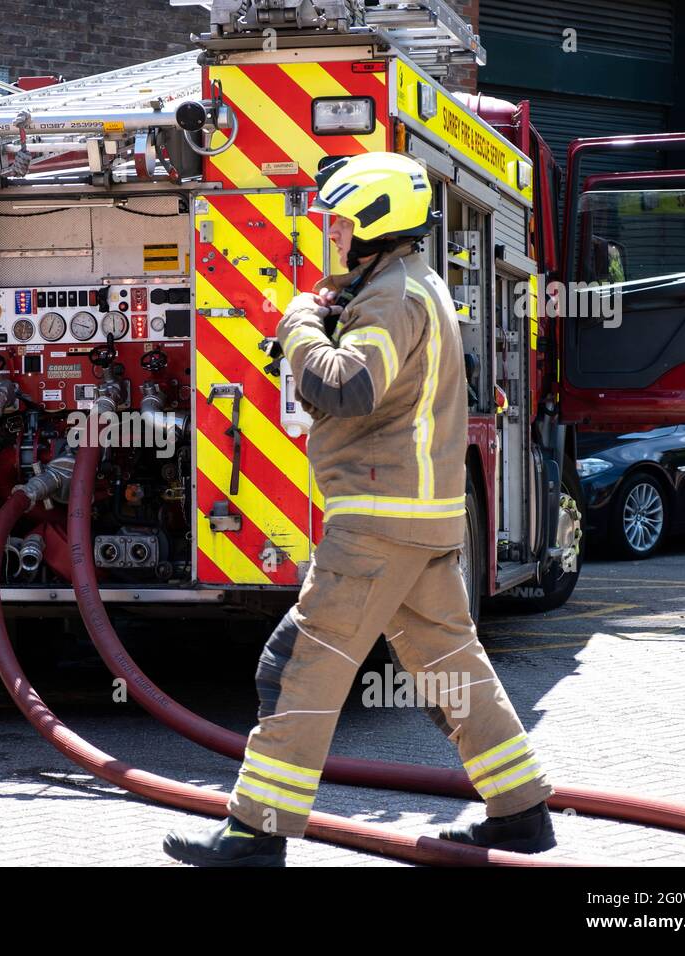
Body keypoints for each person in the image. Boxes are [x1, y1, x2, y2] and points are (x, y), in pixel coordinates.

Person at [162, 153, 555, 867]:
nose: (333, 236)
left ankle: (256, 834)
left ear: (376, 222)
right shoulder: (412, 285)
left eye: (341, 223)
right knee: (450, 667)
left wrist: (298, 328)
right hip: (419, 520)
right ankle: (522, 810)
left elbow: (348, 387)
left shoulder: (390, 298)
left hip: (377, 522)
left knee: (299, 668)